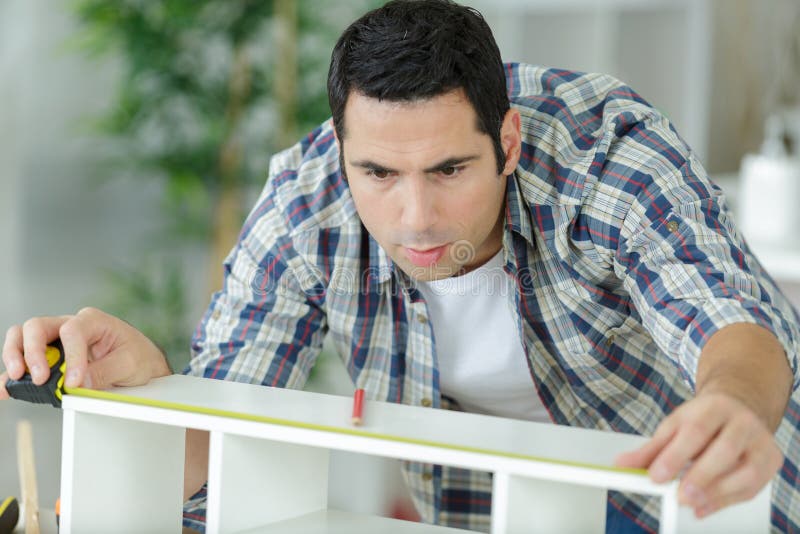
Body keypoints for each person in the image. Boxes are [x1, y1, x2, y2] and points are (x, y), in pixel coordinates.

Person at [2, 0, 799, 532]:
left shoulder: (607, 156)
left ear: (509, 143)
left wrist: (732, 403)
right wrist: (156, 391)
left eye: (449, 171)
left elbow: (732, 323)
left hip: (702, 476)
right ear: (343, 152)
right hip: (499, 504)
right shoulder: (304, 199)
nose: (414, 218)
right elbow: (224, 425)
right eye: (378, 175)